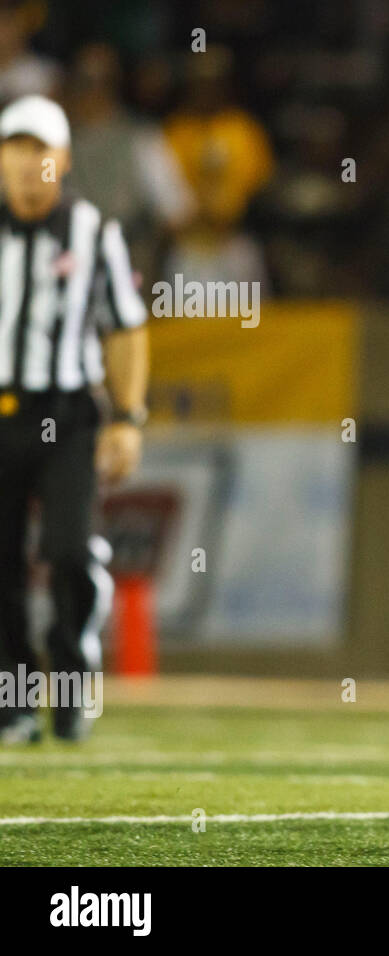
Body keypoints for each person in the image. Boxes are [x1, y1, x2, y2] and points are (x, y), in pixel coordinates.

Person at [0, 95, 150, 744]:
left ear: (62, 159)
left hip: (66, 414)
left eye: (41, 150)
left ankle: (69, 678)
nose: (28, 163)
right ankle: (14, 700)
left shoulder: (93, 231)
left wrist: (128, 416)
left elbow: (125, 329)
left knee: (65, 549)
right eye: (15, 147)